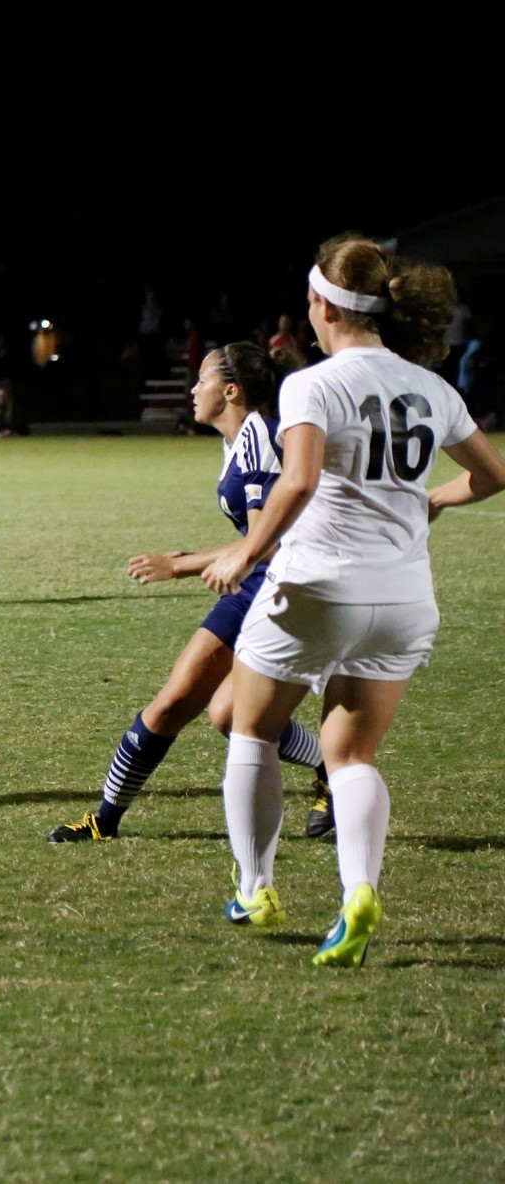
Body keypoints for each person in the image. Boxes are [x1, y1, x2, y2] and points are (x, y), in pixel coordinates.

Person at [200, 235, 505, 964]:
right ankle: (357, 890)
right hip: (403, 597)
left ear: (325, 305)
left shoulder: (312, 383)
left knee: (250, 728)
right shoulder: (431, 384)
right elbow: (492, 475)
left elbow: (298, 481)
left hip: (320, 586)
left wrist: (246, 549)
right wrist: (432, 497)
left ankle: (255, 887)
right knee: (351, 751)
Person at [50, 344, 329, 844]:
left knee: (226, 716)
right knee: (175, 704)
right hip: (254, 584)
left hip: (283, 588)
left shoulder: (260, 438)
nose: (193, 390)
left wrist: (180, 565)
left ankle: (331, 764)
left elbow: (265, 545)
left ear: (230, 390)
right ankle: (104, 821)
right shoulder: (240, 439)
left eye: (201, 380)